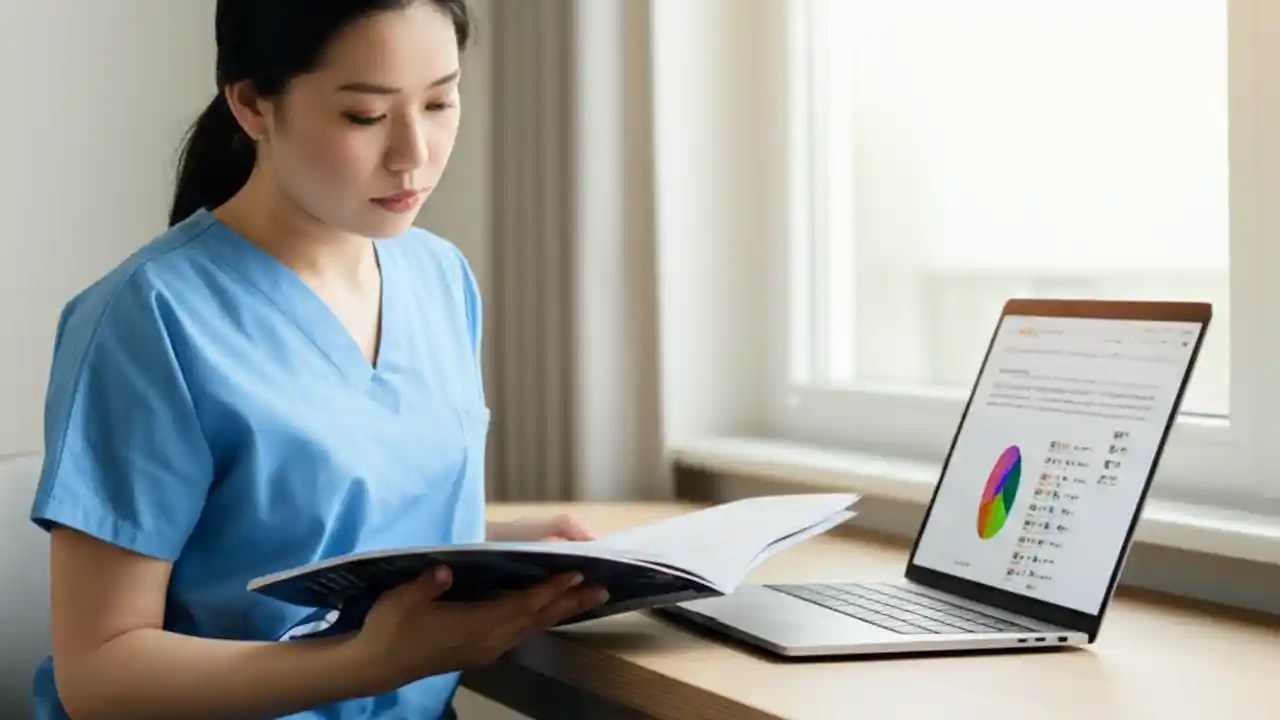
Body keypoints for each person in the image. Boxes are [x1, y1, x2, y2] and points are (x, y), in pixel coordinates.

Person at [26, 1, 609, 718]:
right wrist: (368, 663)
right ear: (251, 105)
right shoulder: (147, 318)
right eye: (366, 116)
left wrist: (500, 549)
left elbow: (314, 519)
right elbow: (100, 676)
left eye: (440, 102)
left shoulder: (439, 279)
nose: (414, 154)